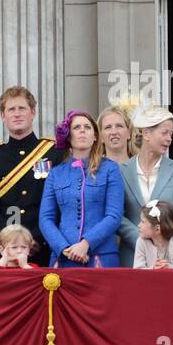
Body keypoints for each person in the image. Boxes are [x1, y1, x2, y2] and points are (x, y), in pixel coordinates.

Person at [0, 86, 59, 265]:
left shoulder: (54, 152)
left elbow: (59, 202)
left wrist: (35, 238)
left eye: (22, 108)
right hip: (4, 250)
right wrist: (8, 241)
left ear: (33, 112)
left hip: (42, 246)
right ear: (3, 116)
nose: (17, 114)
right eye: (11, 109)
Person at [37, 109, 124, 268]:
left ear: (95, 136)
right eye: (77, 127)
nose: (82, 130)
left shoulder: (110, 169)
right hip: (64, 258)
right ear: (69, 136)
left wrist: (86, 244)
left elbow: (114, 215)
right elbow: (45, 218)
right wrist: (63, 248)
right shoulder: (56, 174)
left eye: (87, 127)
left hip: (101, 257)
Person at [118, 105, 173, 267]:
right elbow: (117, 215)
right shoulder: (121, 171)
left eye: (171, 134)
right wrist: (142, 240)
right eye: (164, 133)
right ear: (146, 134)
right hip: (132, 258)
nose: (169, 139)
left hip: (170, 260)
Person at [134, 200, 173, 270]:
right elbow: (137, 271)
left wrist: (169, 268)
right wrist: (153, 269)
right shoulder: (141, 241)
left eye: (143, 222)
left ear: (157, 229)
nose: (139, 225)